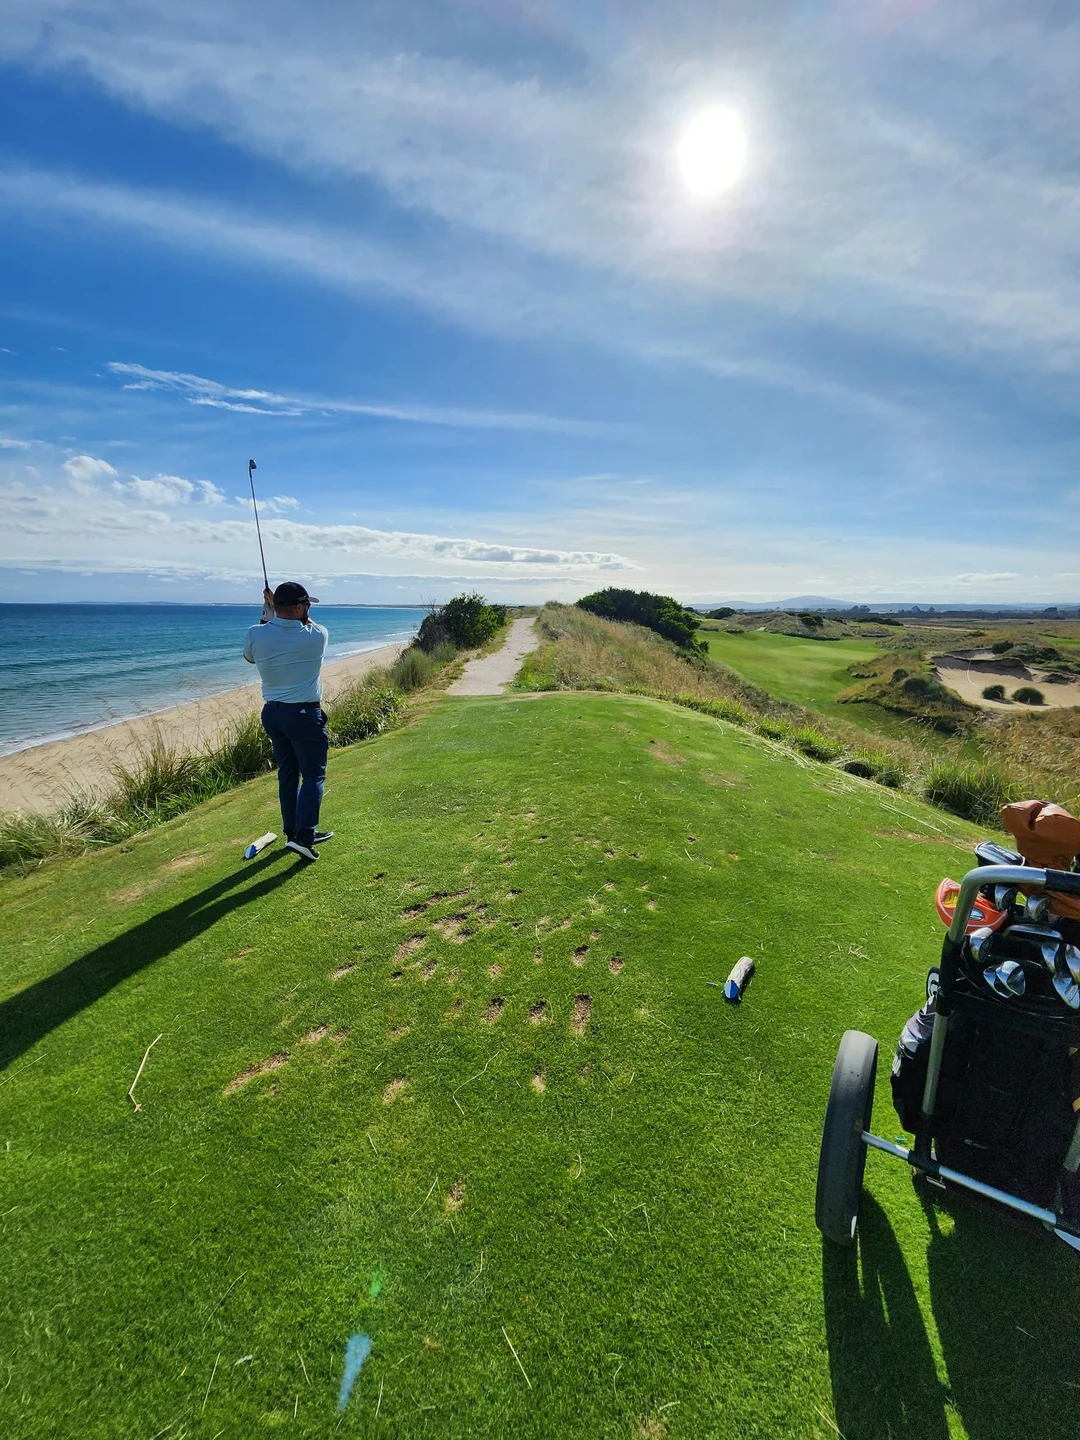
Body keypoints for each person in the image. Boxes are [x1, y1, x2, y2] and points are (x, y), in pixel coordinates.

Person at [243, 581, 334, 861]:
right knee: (313, 775)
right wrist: (280, 610)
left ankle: (293, 832)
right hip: (304, 715)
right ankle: (304, 835)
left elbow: (250, 656)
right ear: (298, 607)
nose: (308, 609)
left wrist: (268, 611)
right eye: (306, 604)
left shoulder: (255, 634)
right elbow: (307, 623)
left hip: (273, 714)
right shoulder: (316, 635)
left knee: (288, 774)